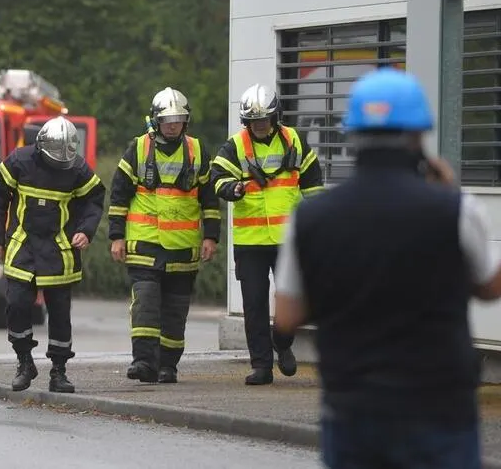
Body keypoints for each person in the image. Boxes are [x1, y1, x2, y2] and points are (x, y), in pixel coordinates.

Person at [273, 67, 501, 469]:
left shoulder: (309, 218)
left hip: (353, 406)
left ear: (353, 137)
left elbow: (287, 316)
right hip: (439, 405)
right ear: (417, 137)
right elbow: (490, 286)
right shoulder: (456, 210)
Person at [210, 83, 324, 385]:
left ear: (275, 117)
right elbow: (217, 177)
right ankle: (261, 366)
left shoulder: (295, 141)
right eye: (253, 121)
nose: (259, 125)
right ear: (246, 122)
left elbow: (313, 182)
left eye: (264, 119)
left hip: (289, 239)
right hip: (251, 242)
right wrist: (232, 189)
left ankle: (282, 342)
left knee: (295, 298)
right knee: (254, 305)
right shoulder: (235, 146)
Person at [108, 88, 220, 383]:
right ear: (156, 121)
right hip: (145, 243)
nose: (173, 124)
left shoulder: (197, 151)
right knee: (145, 303)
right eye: (168, 119)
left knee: (175, 311)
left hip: (183, 249)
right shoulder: (138, 149)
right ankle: (144, 362)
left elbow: (209, 200)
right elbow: (119, 195)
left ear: (186, 121)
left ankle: (168, 365)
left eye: (178, 119)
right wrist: (116, 237)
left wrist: (211, 238)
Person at [0, 116, 106, 393]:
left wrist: (86, 230)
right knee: (17, 304)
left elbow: (94, 198)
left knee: (60, 312)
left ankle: (59, 372)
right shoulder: (19, 161)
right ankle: (24, 361)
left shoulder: (76, 168)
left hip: (59, 247)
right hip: (22, 244)